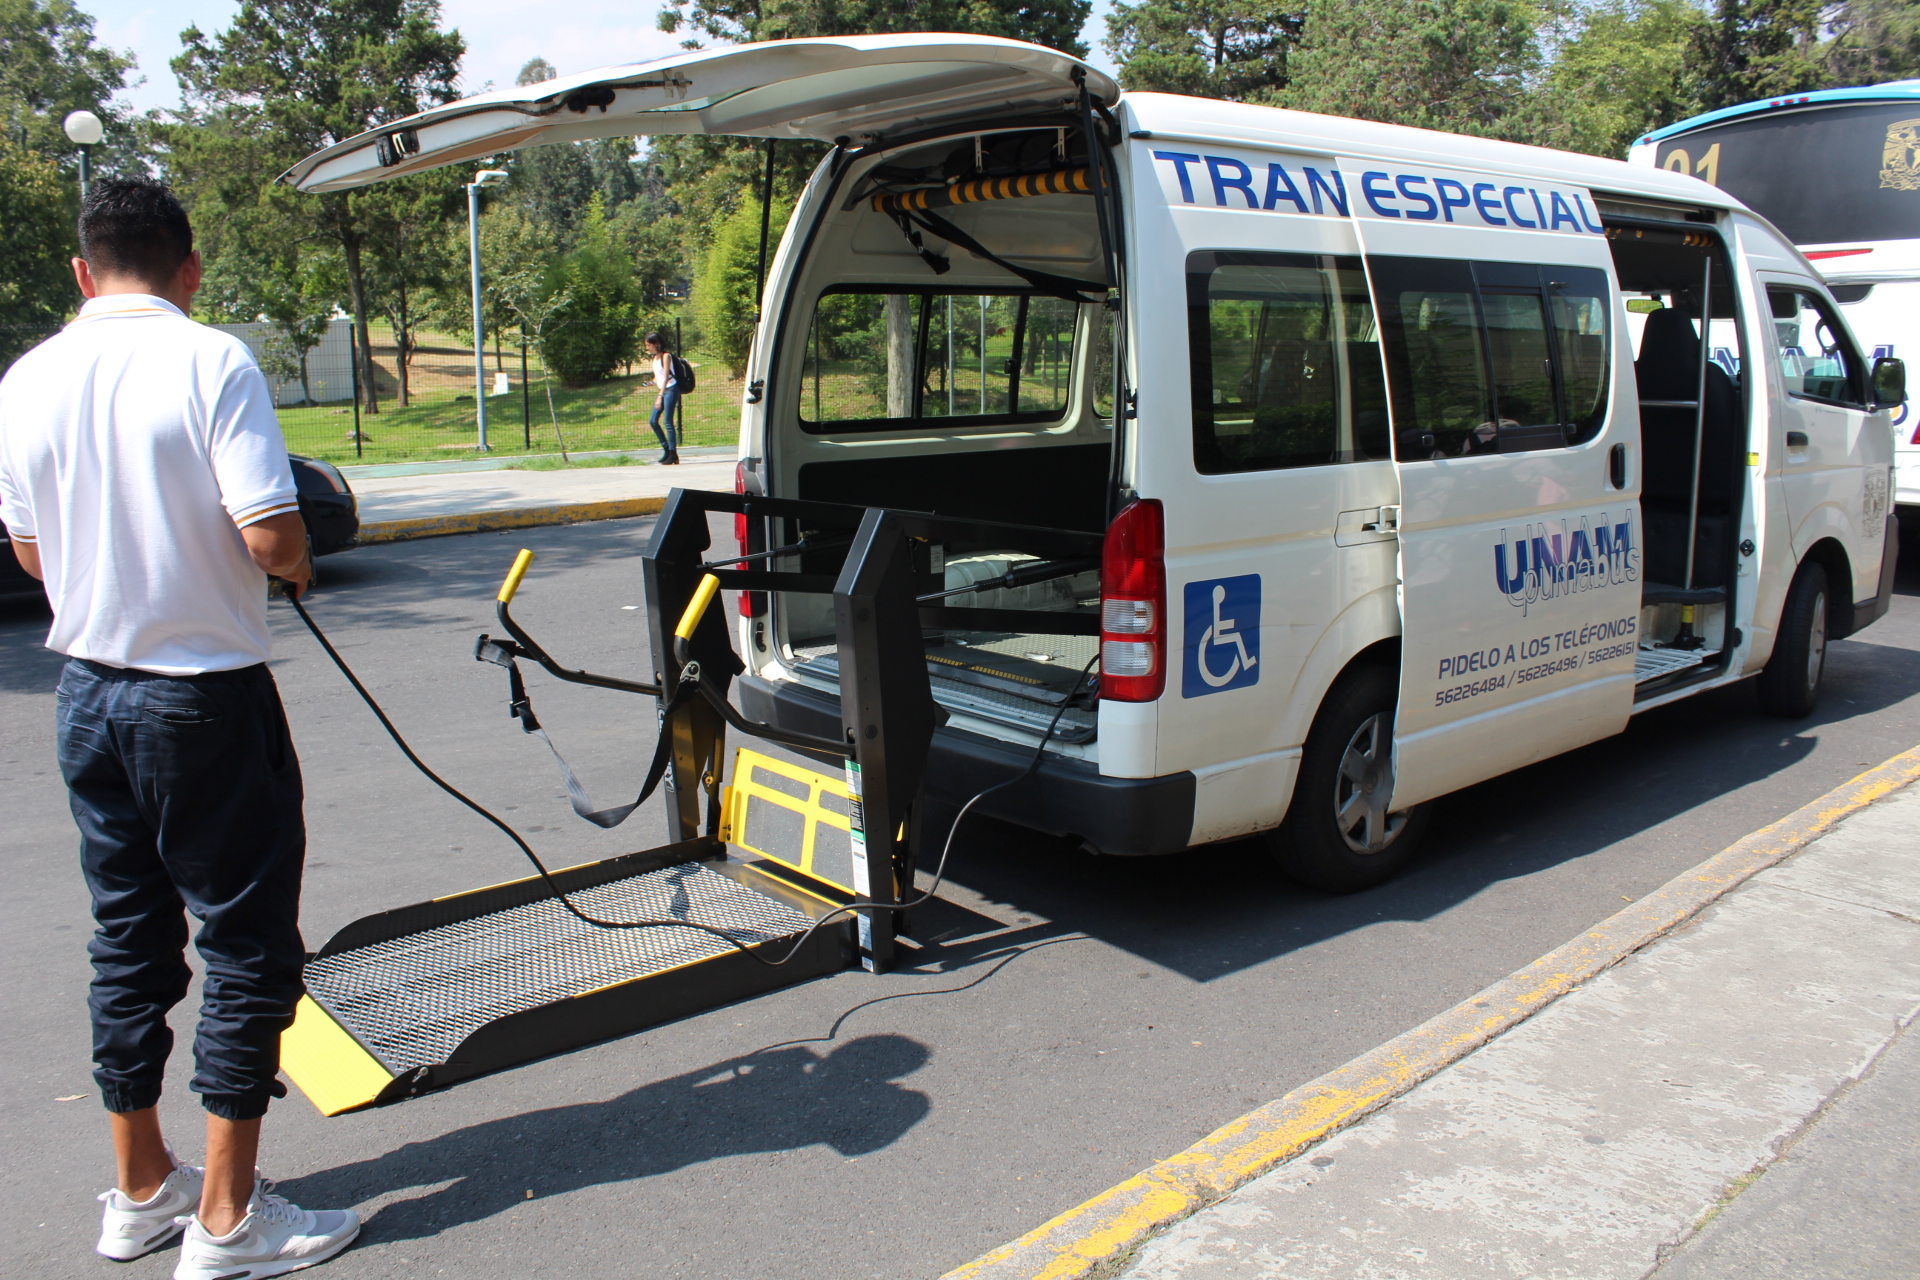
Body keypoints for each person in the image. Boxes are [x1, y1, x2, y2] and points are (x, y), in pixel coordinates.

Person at [0, 178, 360, 1279]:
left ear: (81, 269)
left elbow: (30, 554)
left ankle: (141, 1190)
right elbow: (270, 537)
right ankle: (227, 1218)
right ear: (188, 267)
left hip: (88, 695)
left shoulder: (26, 377)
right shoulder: (211, 359)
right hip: (200, 695)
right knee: (248, 946)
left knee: (129, 938)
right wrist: (294, 559)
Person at [645, 330, 681, 464]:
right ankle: (666, 449)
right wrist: (652, 382)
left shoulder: (666, 356)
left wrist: (660, 396)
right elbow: (659, 376)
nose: (647, 348)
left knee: (668, 422)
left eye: (649, 345)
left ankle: (673, 454)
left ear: (656, 344)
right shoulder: (654, 358)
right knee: (653, 421)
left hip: (671, 389)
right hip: (663, 389)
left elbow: (666, 377)